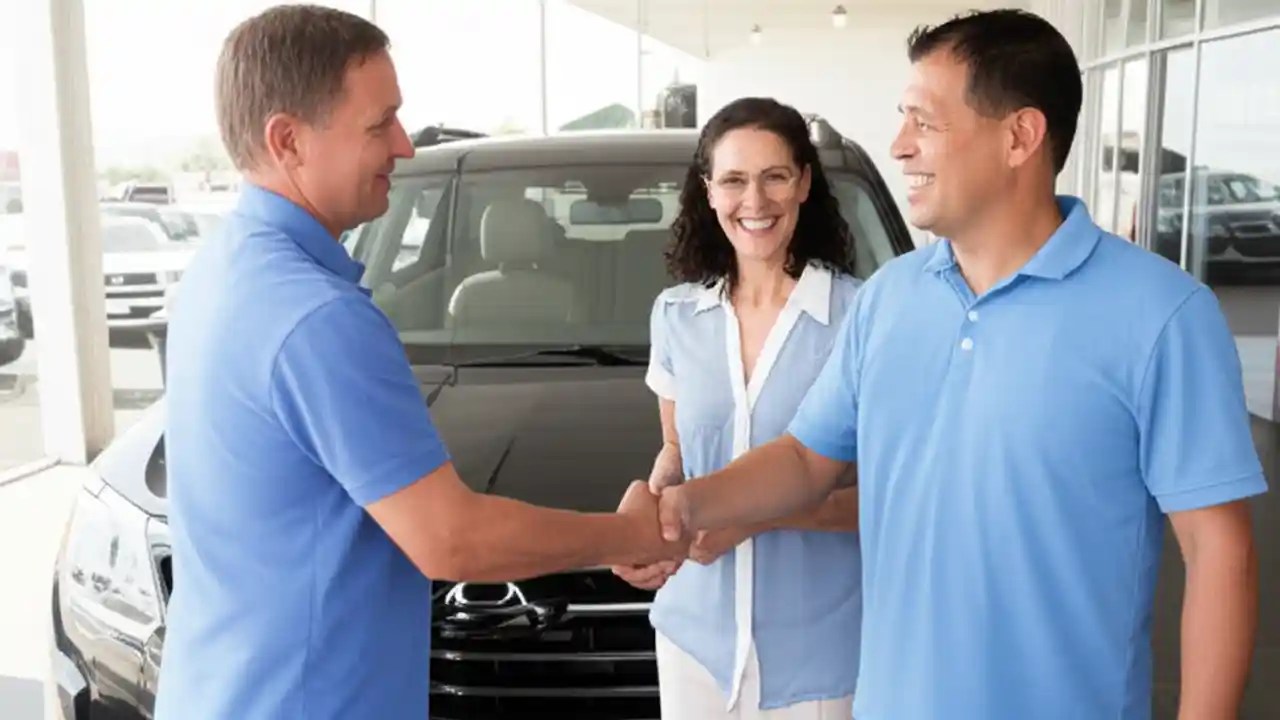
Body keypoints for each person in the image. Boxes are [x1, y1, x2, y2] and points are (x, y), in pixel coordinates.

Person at [653, 9, 1266, 720]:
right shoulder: (889, 299)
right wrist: (685, 505)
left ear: (1019, 136)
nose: (900, 145)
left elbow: (1221, 558)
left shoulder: (1163, 315)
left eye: (925, 122)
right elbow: (801, 462)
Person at [156, 6, 683, 719]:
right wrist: (628, 534)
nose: (402, 146)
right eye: (379, 124)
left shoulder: (223, 268)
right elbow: (451, 539)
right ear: (288, 141)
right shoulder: (315, 318)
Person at [614, 97, 862, 720]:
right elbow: (677, 453)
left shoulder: (863, 318)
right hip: (693, 644)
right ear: (708, 191)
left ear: (804, 182)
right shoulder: (675, 316)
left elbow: (887, 495)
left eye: (775, 176)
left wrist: (753, 517)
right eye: (733, 180)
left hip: (819, 651)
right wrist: (643, 507)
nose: (755, 201)